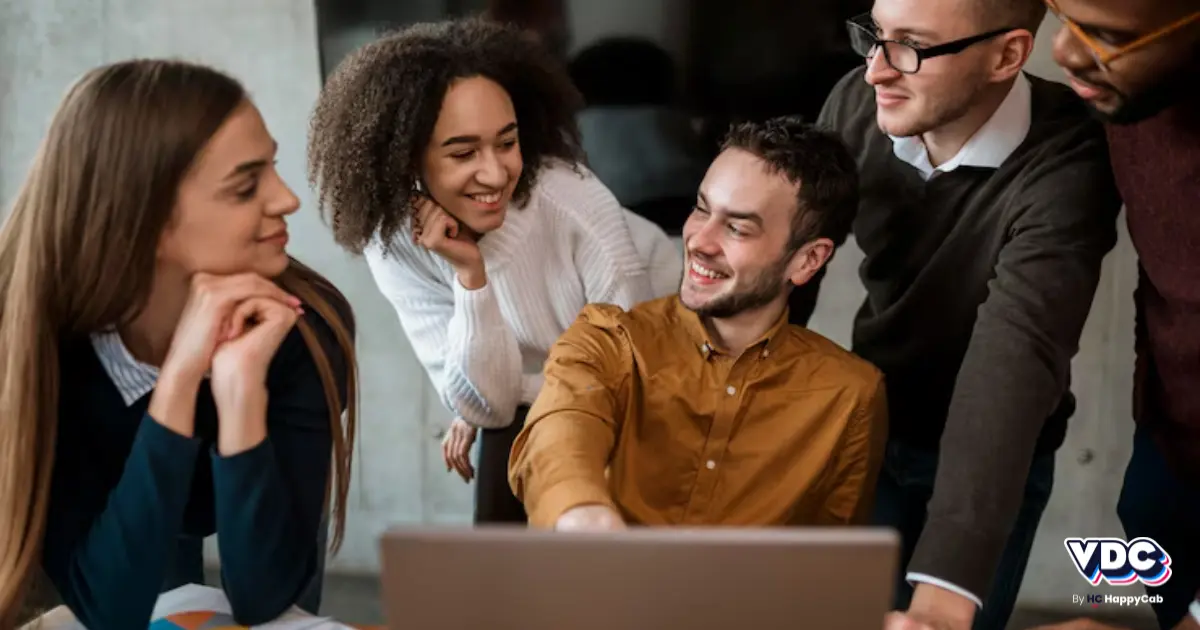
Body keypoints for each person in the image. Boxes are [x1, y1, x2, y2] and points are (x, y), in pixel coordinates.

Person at [790, 1, 1124, 628]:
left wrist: (945, 591)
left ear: (1007, 55)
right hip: (874, 420)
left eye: (911, 46)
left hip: (1000, 451)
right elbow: (792, 271)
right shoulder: (859, 105)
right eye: (874, 35)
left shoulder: (1071, 153)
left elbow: (1014, 355)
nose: (875, 72)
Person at [0, 60, 357, 629]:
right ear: (146, 220)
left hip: (226, 492)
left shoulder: (305, 328)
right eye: (246, 184)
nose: (288, 199)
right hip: (123, 511)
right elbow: (110, 610)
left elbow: (264, 600)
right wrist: (179, 383)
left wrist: (241, 390)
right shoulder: (34, 342)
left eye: (273, 167)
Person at [306, 17, 677, 525]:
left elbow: (630, 378)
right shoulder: (392, 242)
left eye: (507, 142)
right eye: (463, 152)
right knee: (502, 476)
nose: (496, 172)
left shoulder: (574, 203)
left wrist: (497, 401)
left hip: (664, 357)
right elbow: (488, 407)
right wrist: (470, 276)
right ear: (404, 161)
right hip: (551, 382)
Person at [507, 117, 888, 531]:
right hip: (608, 587)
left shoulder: (850, 396)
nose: (700, 241)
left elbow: (832, 567)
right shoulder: (609, 339)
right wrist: (581, 513)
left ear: (807, 259)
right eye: (701, 209)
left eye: (737, 228)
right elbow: (559, 434)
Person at [1026, 2, 1200, 630]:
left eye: (1104, 35)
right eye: (1059, 14)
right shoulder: (1133, 88)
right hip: (1169, 446)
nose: (1064, 51)